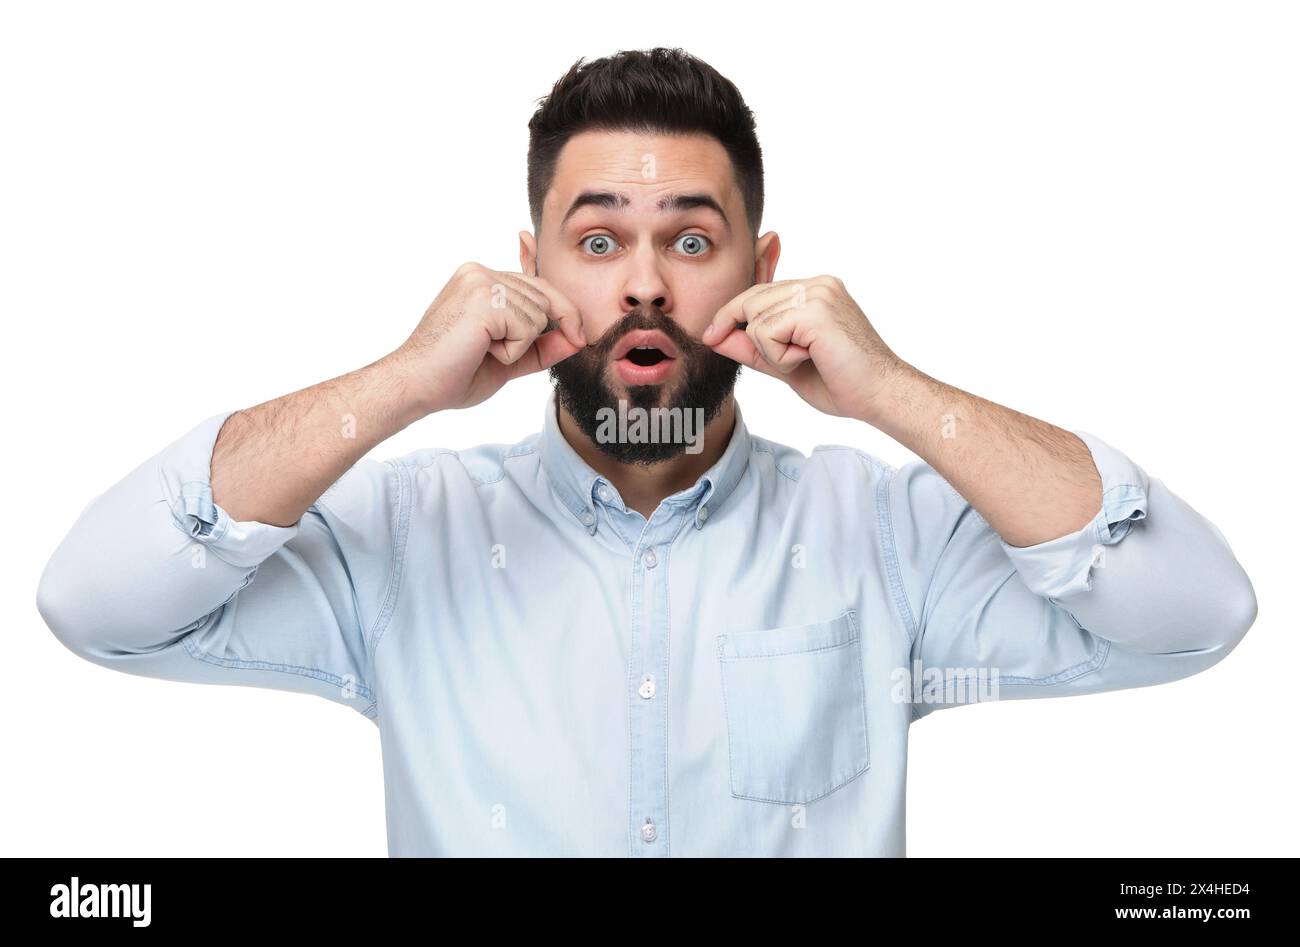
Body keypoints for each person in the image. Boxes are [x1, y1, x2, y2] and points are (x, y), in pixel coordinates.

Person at [36, 47, 1257, 857]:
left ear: (761, 272)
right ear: (531, 263)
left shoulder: (885, 533)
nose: (641, 285)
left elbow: (1196, 610)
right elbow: (97, 603)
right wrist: (403, 382)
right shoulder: (406, 539)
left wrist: (892, 393)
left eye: (688, 239)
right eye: (598, 235)